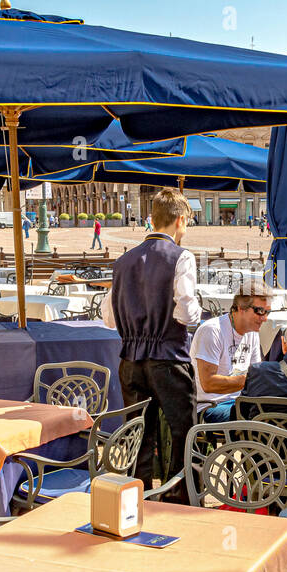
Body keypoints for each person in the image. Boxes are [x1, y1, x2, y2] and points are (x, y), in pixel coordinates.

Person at [101, 189, 201, 497]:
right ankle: (178, 496)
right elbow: (186, 310)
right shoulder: (181, 257)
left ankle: (137, 496)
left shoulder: (123, 261)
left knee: (138, 433)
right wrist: (198, 311)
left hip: (131, 359)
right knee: (182, 430)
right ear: (179, 220)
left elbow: (108, 317)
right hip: (168, 357)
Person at [191, 287, 271, 423]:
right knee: (258, 418)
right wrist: (249, 381)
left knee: (279, 412)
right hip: (210, 406)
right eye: (260, 311)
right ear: (241, 308)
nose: (264, 318)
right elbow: (208, 384)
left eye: (267, 312)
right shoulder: (212, 331)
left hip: (240, 402)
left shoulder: (252, 333)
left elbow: (256, 373)